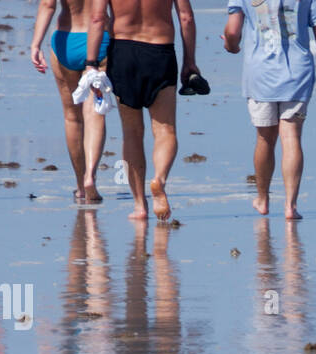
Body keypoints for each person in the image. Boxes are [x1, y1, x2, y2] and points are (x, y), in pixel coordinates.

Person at [222, 0, 316, 220]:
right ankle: (290, 206)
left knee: (265, 138)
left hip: (260, 74)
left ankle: (263, 199)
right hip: (298, 72)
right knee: (292, 138)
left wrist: (231, 45)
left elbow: (233, 31)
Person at [86, 0, 200, 221]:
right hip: (160, 51)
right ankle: (159, 179)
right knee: (165, 130)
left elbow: (97, 18)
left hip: (123, 53)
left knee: (131, 133)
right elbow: (186, 17)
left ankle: (140, 206)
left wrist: (91, 63)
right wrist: (190, 61)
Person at [30, 1, 110, 204]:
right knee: (95, 111)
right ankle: (90, 175)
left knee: (72, 116)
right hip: (99, 37)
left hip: (66, 39)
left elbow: (48, 5)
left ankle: (80, 185)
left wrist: (36, 44)